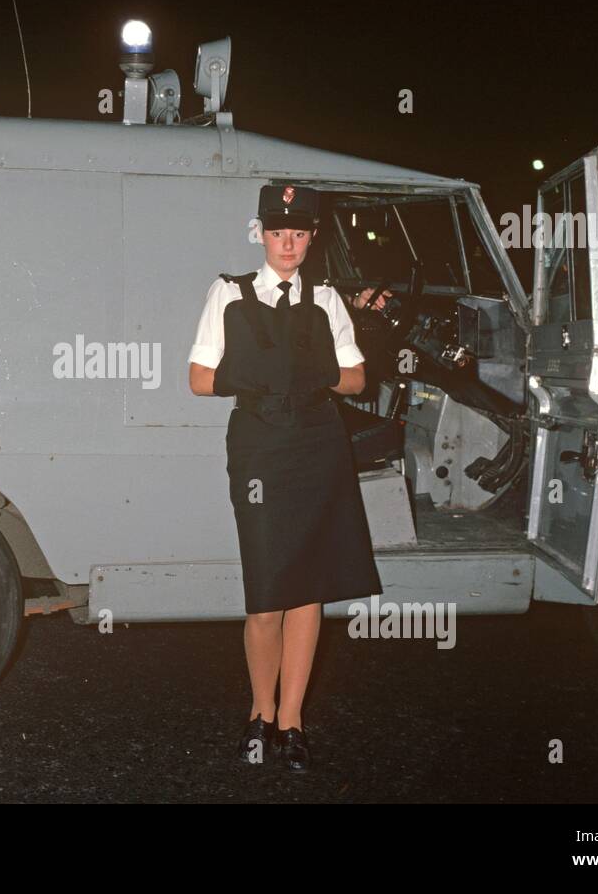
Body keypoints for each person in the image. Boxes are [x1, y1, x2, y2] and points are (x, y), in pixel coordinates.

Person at [187, 183, 385, 772]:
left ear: (311, 236)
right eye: (279, 231)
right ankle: (260, 711)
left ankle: (293, 721)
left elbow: (355, 379)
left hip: (318, 445)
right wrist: (259, 375)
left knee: (308, 590)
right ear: (262, 233)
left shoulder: (326, 299)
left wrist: (316, 370)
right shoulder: (229, 292)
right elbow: (199, 377)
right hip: (261, 449)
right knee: (267, 595)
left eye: (299, 232)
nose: (289, 243)